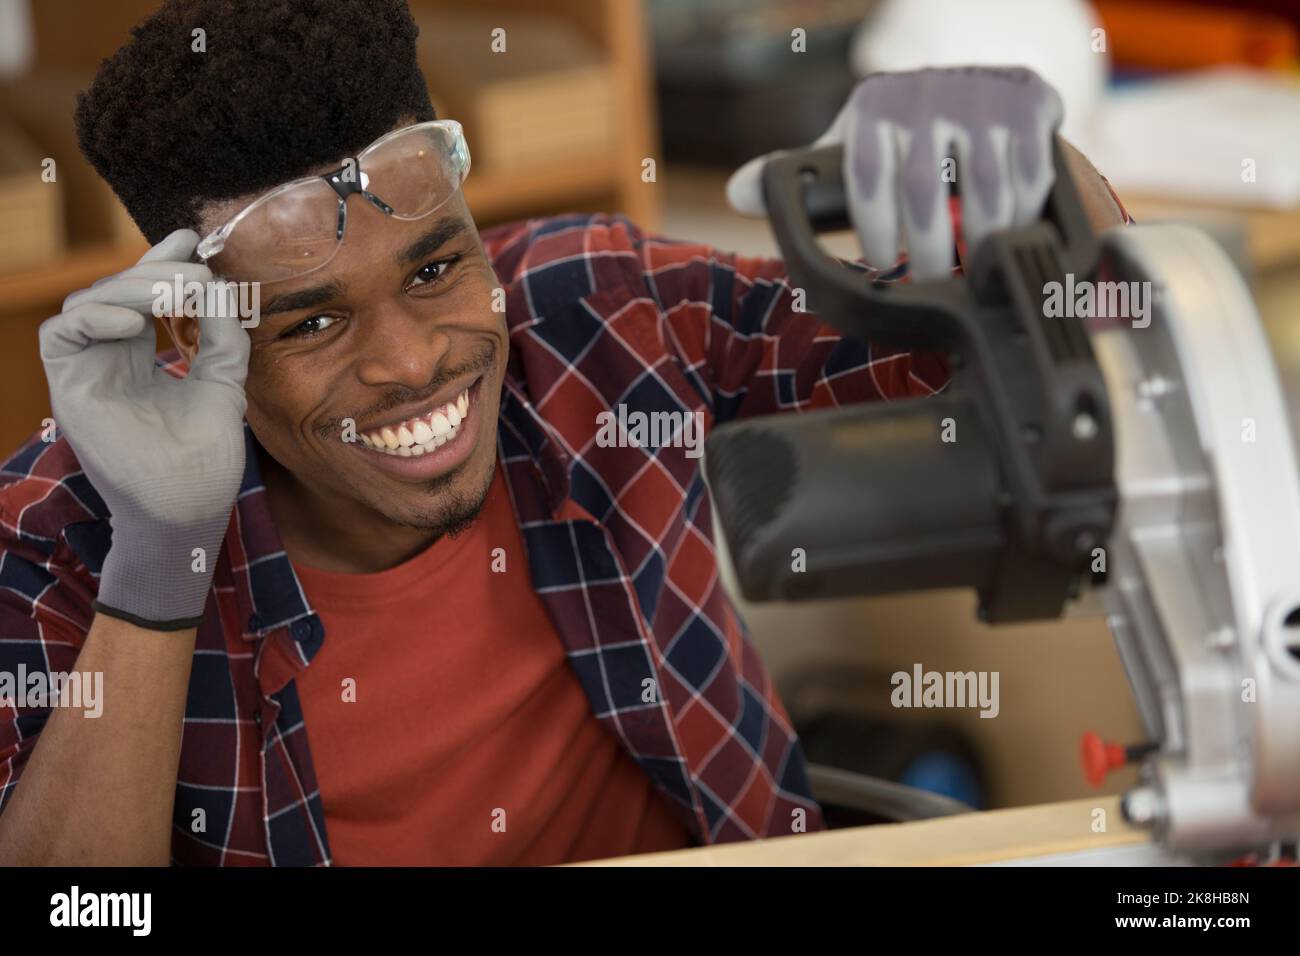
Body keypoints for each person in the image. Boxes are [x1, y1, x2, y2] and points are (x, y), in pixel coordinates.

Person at [0, 0, 1126, 865]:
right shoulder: (66, 524)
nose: (410, 360)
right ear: (200, 336)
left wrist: (1028, 188)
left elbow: (1055, 335)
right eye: (312, 319)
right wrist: (159, 550)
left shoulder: (594, 308)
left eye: (437, 265)